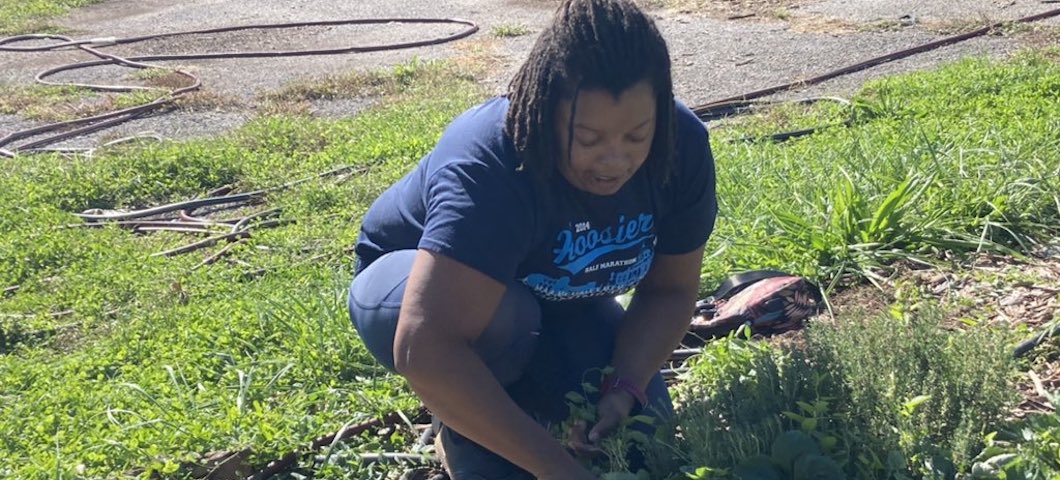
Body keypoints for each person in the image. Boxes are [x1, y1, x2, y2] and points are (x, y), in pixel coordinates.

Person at [347, 0, 717, 478]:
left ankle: (506, 405)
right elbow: (426, 345)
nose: (613, 160)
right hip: (416, 296)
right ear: (546, 111)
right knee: (508, 324)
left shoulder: (681, 148)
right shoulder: (491, 162)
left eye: (635, 136)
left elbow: (671, 290)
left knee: (644, 441)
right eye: (588, 139)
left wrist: (624, 388)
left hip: (562, 305)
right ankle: (458, 420)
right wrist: (556, 467)